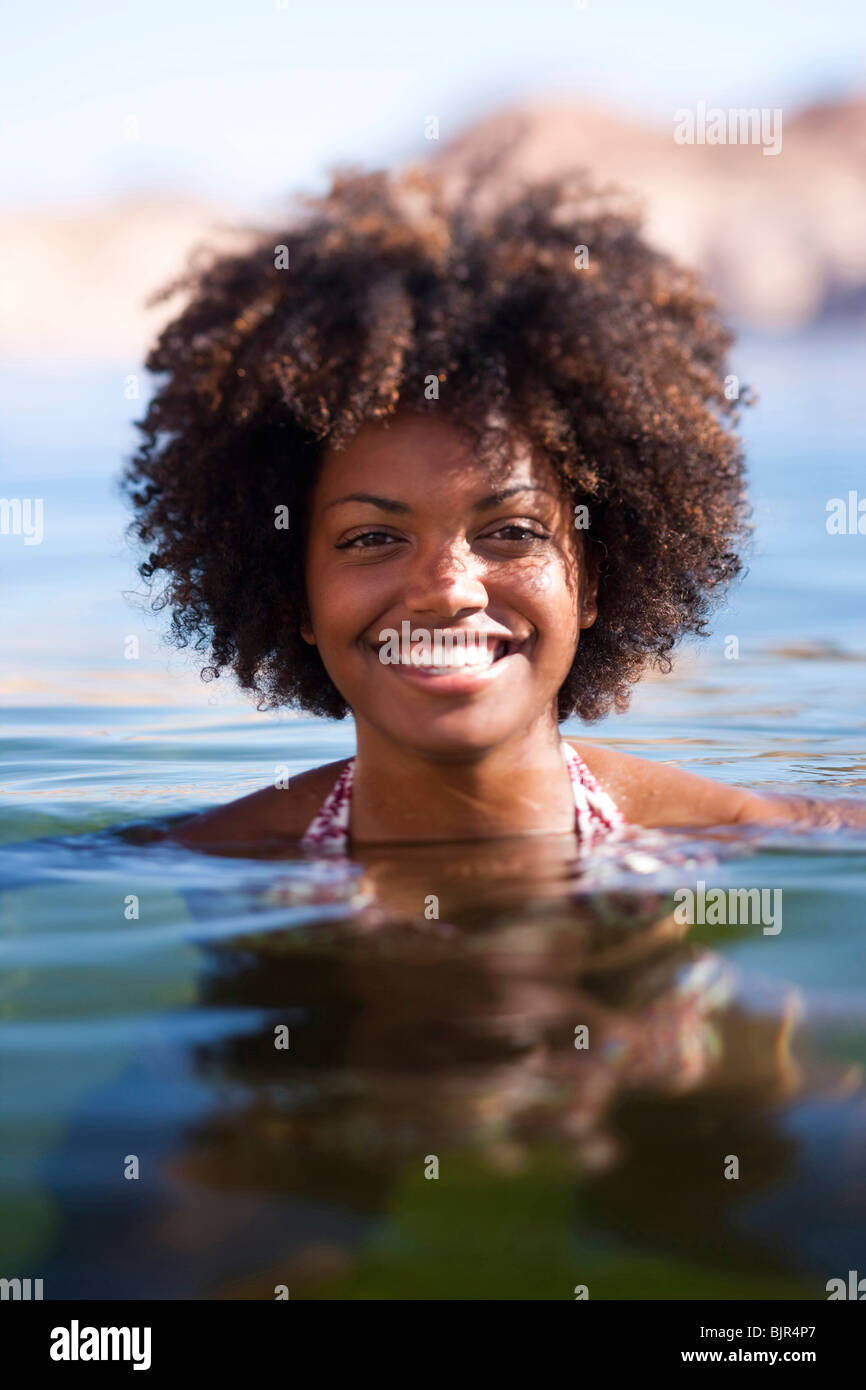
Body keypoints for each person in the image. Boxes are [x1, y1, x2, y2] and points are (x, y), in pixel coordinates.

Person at [124, 161, 864, 852]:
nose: (448, 587)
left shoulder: (750, 839)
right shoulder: (209, 862)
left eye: (512, 531)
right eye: (372, 537)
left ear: (596, 579)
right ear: (298, 599)